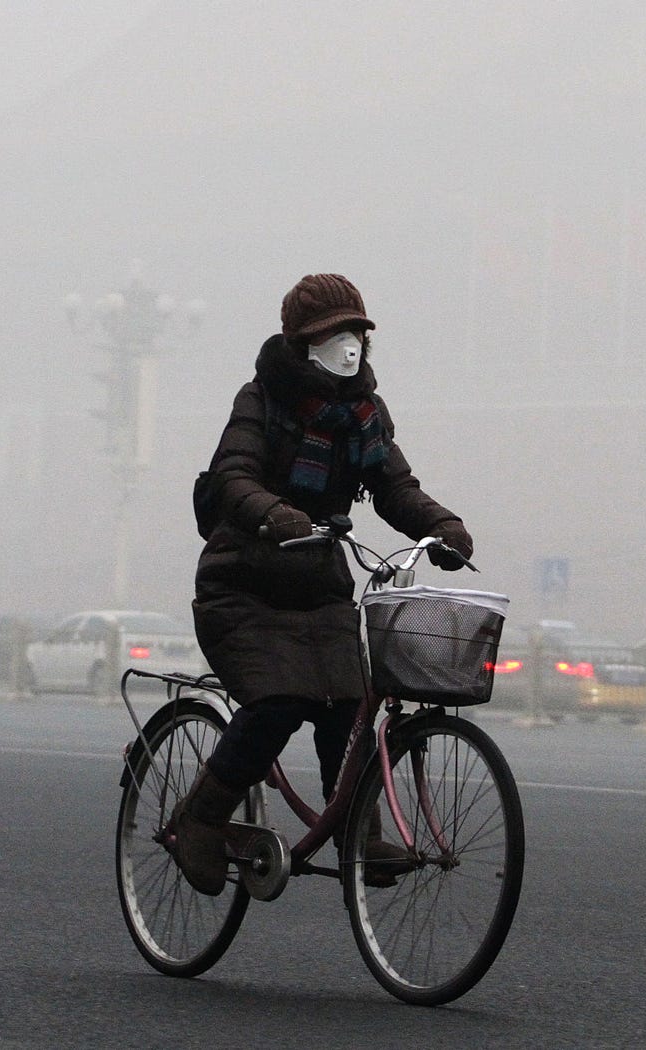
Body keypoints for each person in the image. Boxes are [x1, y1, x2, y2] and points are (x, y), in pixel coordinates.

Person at [171, 273, 474, 895]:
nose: (348, 346)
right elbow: (233, 474)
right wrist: (270, 512)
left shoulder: (363, 415)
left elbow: (394, 487)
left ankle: (354, 832)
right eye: (333, 335)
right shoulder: (261, 401)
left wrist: (441, 526)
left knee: (347, 703)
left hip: (318, 586)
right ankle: (198, 820)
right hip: (242, 585)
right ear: (301, 343)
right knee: (281, 701)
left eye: (356, 333)